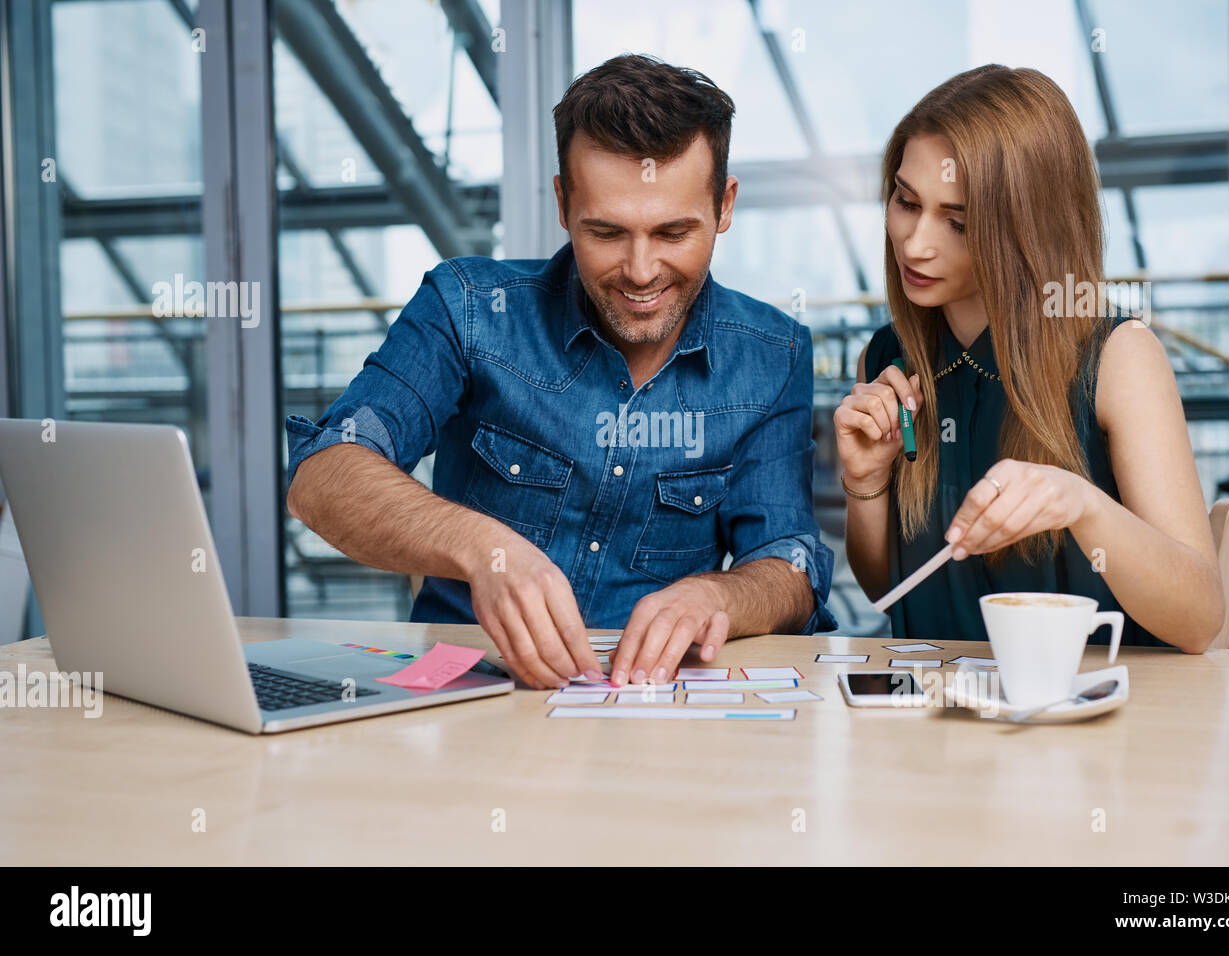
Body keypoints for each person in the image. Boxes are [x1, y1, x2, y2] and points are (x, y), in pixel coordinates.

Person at [285, 54, 837, 690]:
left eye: (673, 233)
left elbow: (789, 562)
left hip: (655, 711)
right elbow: (322, 474)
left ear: (725, 205)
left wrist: (720, 597)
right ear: (562, 203)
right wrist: (480, 546)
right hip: (462, 702)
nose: (639, 269)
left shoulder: (774, 354)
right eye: (606, 232)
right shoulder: (467, 309)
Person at [836, 64, 1224, 653]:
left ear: (1029, 230)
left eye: (959, 222)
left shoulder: (1118, 358)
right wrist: (865, 483)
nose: (915, 243)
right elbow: (893, 593)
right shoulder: (887, 358)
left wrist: (1084, 505)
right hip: (935, 726)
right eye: (906, 201)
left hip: (1103, 725)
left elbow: (1200, 619)